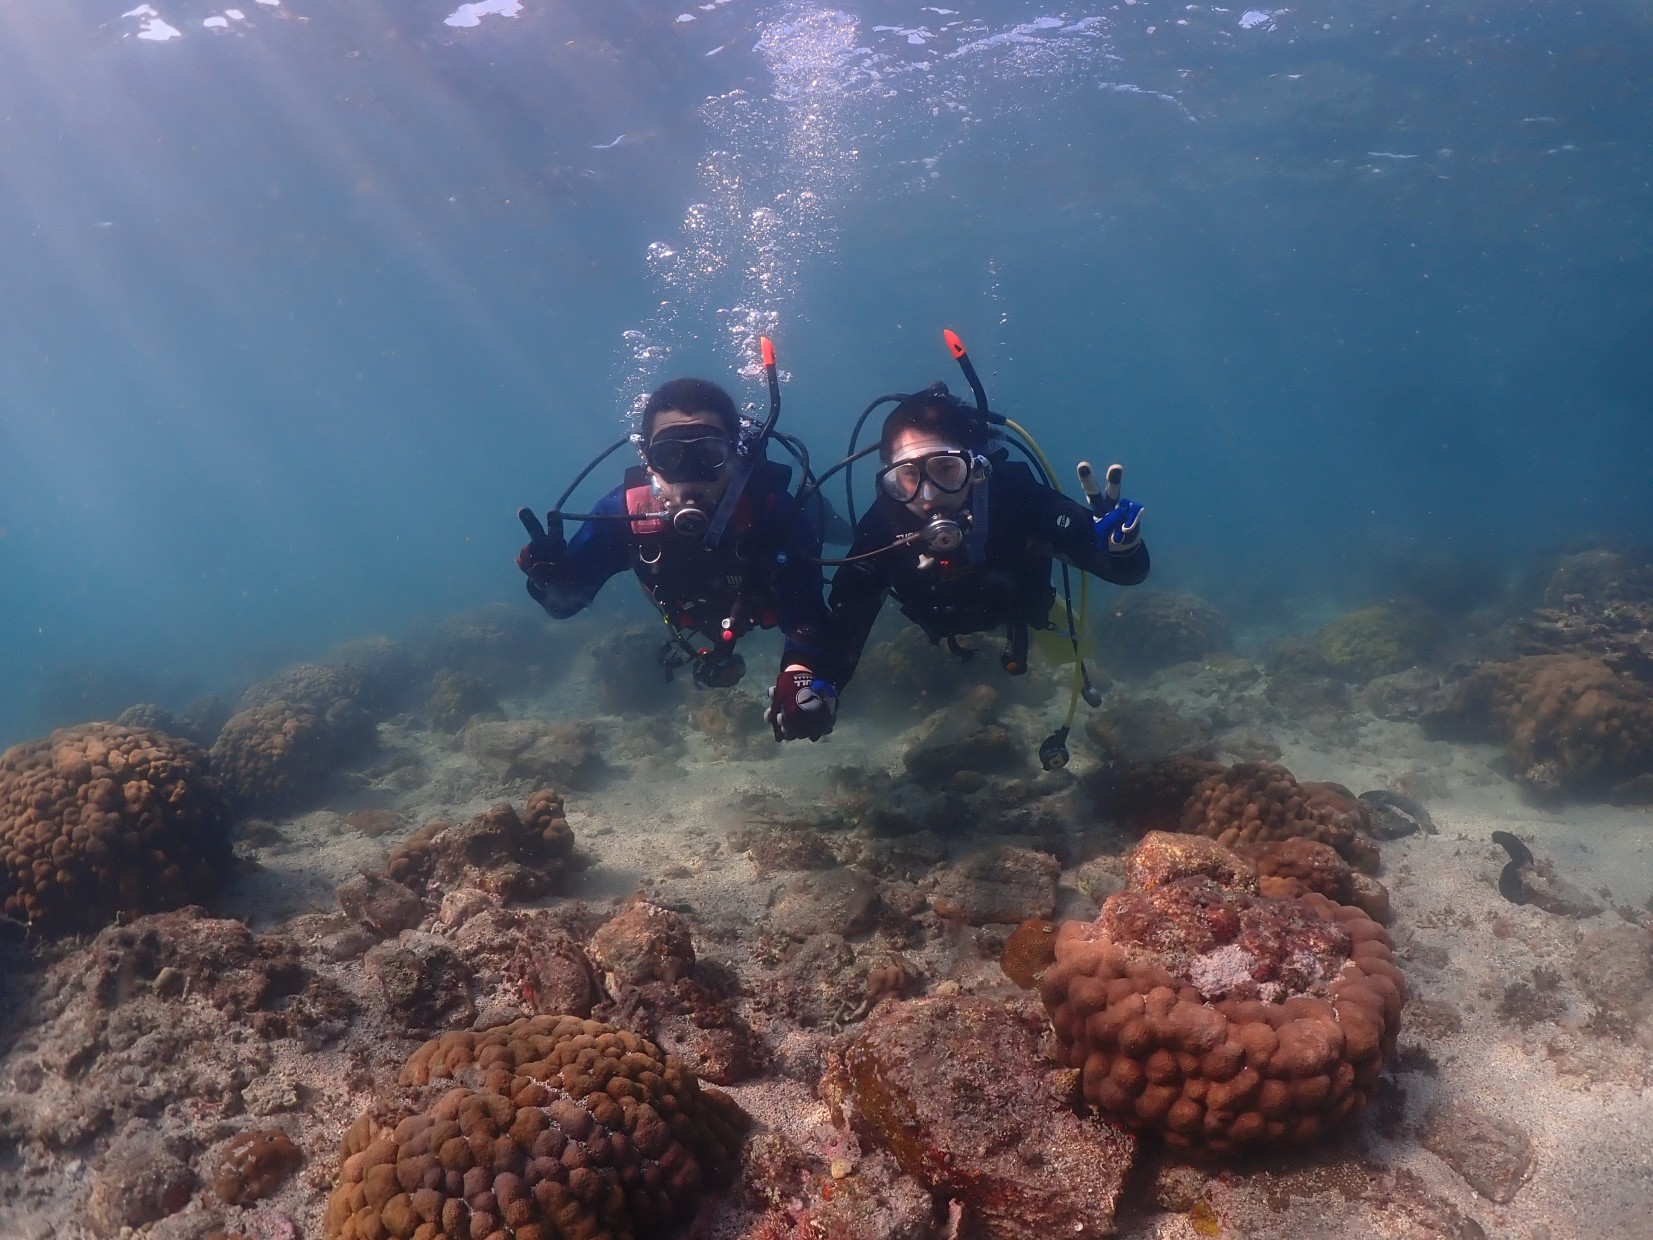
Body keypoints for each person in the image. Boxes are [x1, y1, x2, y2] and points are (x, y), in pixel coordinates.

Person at [515, 376, 839, 740]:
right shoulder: (623, 513)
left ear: (735, 455)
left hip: (771, 558)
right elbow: (563, 605)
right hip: (710, 608)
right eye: (669, 455)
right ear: (648, 462)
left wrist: (800, 671)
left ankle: (826, 511)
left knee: (830, 527)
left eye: (708, 454)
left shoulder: (772, 510)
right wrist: (547, 579)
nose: (689, 476)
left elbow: (807, 610)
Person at [819, 382, 1149, 708]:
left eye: (946, 468)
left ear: (976, 466)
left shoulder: (1016, 497)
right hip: (938, 621)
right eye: (907, 475)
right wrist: (820, 686)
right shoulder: (884, 523)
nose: (929, 495)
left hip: (1022, 609)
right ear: (889, 478)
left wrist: (1123, 550)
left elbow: (1126, 573)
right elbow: (848, 617)